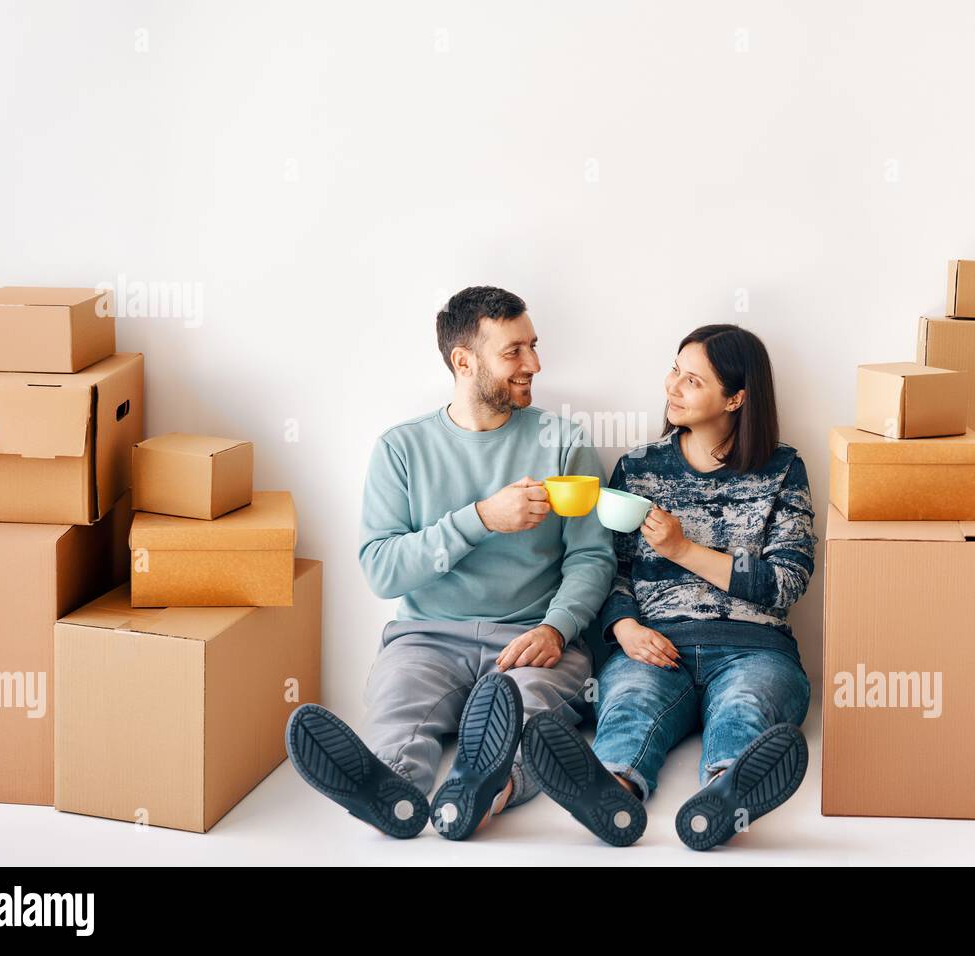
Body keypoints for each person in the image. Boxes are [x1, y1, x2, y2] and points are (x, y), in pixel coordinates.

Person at [285, 286, 615, 841]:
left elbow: (592, 556)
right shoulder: (402, 449)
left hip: (531, 638)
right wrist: (482, 518)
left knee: (530, 716)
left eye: (533, 346)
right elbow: (383, 570)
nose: (534, 364)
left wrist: (556, 628)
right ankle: (394, 795)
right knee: (398, 709)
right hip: (427, 639)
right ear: (464, 361)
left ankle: (484, 792)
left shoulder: (564, 442)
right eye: (514, 351)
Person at [522, 323, 815, 850]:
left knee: (745, 707)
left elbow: (787, 583)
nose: (672, 387)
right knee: (630, 700)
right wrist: (625, 626)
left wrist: (684, 551)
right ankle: (610, 792)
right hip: (654, 645)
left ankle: (725, 794)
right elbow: (610, 568)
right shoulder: (637, 468)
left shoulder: (783, 468)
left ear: (737, 398)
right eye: (675, 370)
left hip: (754, 650)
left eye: (693, 380)